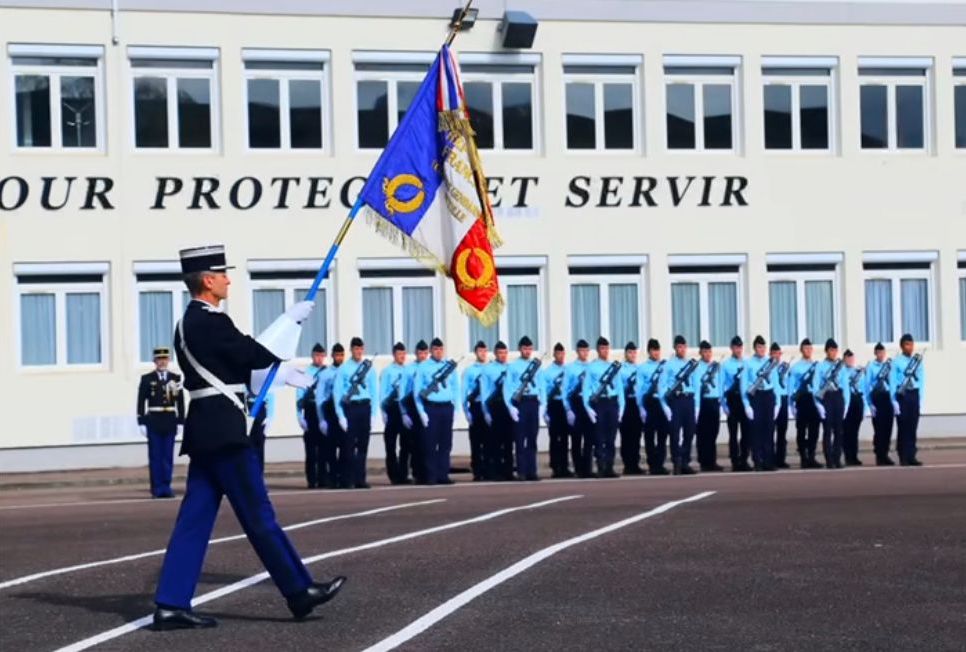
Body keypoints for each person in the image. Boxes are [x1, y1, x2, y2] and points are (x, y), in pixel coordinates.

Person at [152, 244, 344, 630]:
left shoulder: (192, 322)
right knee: (258, 514)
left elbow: (234, 366)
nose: (227, 279)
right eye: (222, 273)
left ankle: (171, 604)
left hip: (209, 430)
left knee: (195, 519)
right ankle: (299, 590)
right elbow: (255, 354)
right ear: (207, 281)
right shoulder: (209, 321)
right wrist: (289, 321)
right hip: (225, 433)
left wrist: (283, 373)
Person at [137, 347, 185, 498]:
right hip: (154, 420)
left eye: (164, 359)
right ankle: (157, 488)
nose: (162, 362)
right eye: (159, 360)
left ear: (168, 361)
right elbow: (141, 401)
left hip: (170, 419)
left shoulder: (175, 378)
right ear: (155, 361)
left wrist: (181, 421)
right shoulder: (147, 379)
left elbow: (180, 402)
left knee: (168, 456)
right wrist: (141, 421)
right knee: (155, 456)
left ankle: (166, 486)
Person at [414, 338, 460, 485]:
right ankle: (431, 476)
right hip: (431, 408)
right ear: (431, 351)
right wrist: (421, 412)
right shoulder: (423, 367)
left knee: (445, 444)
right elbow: (417, 391)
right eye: (435, 349)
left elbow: (455, 388)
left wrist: (457, 409)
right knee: (430, 444)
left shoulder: (449, 367)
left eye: (441, 349)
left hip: (446, 408)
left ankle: (443, 475)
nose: (438, 352)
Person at [581, 336, 623, 478]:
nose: (605, 351)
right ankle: (600, 466)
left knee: (611, 437)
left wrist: (621, 407)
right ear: (598, 350)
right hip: (599, 403)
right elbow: (586, 389)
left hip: (612, 403)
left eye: (607, 348)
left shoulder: (613, 367)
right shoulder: (591, 367)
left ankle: (609, 467)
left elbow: (619, 388)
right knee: (599, 437)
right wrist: (588, 408)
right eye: (602, 348)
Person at [503, 336, 544, 481]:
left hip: (533, 402)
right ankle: (521, 471)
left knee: (532, 438)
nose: (527, 351)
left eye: (530, 348)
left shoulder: (537, 366)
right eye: (525, 348)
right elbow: (507, 388)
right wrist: (510, 407)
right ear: (520, 349)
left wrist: (542, 405)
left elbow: (541, 386)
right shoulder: (513, 366)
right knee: (520, 439)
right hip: (520, 403)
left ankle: (532, 471)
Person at [661, 335, 699, 475]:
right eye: (679, 347)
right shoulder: (669, 365)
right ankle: (676, 461)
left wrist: (697, 406)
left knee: (690, 431)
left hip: (689, 399)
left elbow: (696, 384)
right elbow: (662, 386)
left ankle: (685, 461)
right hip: (675, 400)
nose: (681, 349)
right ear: (675, 348)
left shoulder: (691, 364)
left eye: (683, 346)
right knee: (675, 433)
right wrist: (664, 405)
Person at [741, 335, 780, 472]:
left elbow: (776, 385)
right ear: (754, 348)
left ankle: (768, 461)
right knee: (756, 431)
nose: (761, 349)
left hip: (768, 396)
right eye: (759, 347)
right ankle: (757, 460)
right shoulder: (748, 363)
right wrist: (746, 405)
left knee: (769, 430)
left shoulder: (771, 363)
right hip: (755, 396)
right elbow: (744, 385)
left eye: (763, 347)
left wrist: (778, 403)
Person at [811, 338, 850, 469]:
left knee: (839, 431)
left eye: (835, 350)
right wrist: (818, 405)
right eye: (831, 350)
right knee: (827, 430)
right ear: (826, 351)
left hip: (838, 397)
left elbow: (845, 386)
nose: (833, 353)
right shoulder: (820, 366)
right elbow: (816, 387)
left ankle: (837, 458)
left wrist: (846, 404)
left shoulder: (841, 367)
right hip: (826, 397)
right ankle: (829, 460)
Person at [380, 342, 413, 484]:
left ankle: (403, 474)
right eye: (400, 354)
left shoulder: (407, 370)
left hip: (404, 408)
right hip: (391, 408)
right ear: (394, 355)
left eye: (404, 354)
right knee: (391, 444)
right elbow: (382, 392)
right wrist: (383, 412)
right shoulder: (387, 371)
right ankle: (393, 475)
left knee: (405, 445)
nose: (402, 356)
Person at [314, 342, 345, 488]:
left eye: (341, 355)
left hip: (344, 410)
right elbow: (320, 397)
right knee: (330, 448)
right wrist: (321, 419)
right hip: (329, 410)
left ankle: (343, 476)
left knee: (345, 447)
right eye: (337, 354)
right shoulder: (325, 374)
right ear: (332, 356)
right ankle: (332, 478)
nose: (339, 357)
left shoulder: (347, 372)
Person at [636, 339, 669, 475]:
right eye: (654, 350)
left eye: (658, 350)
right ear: (649, 351)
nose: (656, 353)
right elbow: (639, 389)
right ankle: (652, 464)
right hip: (649, 403)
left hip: (662, 402)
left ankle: (660, 463)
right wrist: (641, 408)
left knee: (662, 435)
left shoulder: (665, 366)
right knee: (649, 436)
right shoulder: (643, 368)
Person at [788, 339, 822, 469]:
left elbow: (819, 384)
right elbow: (791, 387)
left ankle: (812, 456)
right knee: (801, 430)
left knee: (814, 430)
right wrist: (791, 405)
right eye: (806, 348)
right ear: (801, 350)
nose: (808, 351)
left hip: (814, 399)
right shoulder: (796, 367)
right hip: (802, 400)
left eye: (810, 348)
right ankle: (803, 457)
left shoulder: (816, 366)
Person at [296, 343, 326, 488]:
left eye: (321, 356)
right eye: (316, 355)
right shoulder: (306, 373)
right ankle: (311, 480)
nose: (319, 359)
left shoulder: (326, 372)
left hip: (323, 410)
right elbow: (300, 395)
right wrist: (299, 416)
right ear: (312, 356)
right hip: (309, 410)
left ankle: (322, 478)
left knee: (324, 448)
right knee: (311, 449)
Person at [482, 341, 513, 481]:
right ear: (495, 354)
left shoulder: (511, 368)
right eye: (500, 353)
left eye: (505, 353)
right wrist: (486, 412)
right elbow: (484, 392)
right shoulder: (488, 369)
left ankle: (508, 471)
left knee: (508, 442)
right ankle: (494, 471)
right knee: (494, 442)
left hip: (509, 407)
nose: (503, 355)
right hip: (495, 406)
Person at [892, 333, 924, 466]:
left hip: (914, 394)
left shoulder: (917, 361)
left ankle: (912, 455)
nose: (909, 347)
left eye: (911, 344)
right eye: (907, 344)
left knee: (913, 426)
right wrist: (893, 400)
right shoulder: (897, 361)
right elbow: (892, 381)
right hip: (902, 395)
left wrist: (920, 399)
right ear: (902, 346)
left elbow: (921, 380)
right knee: (903, 426)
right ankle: (903, 455)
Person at [542, 342, 572, 478]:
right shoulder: (548, 372)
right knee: (554, 437)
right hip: (553, 404)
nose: (560, 356)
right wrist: (545, 411)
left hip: (565, 404)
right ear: (554, 354)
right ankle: (555, 467)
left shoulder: (568, 370)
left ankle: (564, 466)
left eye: (562, 353)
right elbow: (545, 392)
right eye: (558, 353)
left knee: (565, 438)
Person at [722, 336, 752, 472]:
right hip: (732, 400)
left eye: (740, 347)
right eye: (735, 347)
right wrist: (724, 405)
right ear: (731, 348)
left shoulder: (747, 363)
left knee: (746, 433)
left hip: (744, 399)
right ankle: (735, 461)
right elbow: (721, 386)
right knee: (733, 434)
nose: (738, 349)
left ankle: (744, 460)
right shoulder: (726, 365)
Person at [563, 340, 592, 477]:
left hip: (589, 403)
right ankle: (578, 468)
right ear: (577, 351)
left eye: (586, 350)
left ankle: (588, 468)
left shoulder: (592, 367)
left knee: (589, 438)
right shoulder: (570, 368)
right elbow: (565, 390)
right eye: (582, 350)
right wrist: (568, 409)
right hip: (576, 402)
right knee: (576, 438)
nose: (584, 353)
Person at [864, 342, 896, 466]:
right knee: (879, 428)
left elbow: (893, 383)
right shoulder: (871, 366)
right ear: (875, 353)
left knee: (888, 427)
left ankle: (886, 454)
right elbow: (867, 385)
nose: (881, 354)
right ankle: (879, 455)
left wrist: (894, 400)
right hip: (877, 398)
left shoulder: (889, 366)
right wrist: (870, 404)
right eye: (879, 352)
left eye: (883, 352)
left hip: (887, 397)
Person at [462, 341, 490, 481]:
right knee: (476, 441)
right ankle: (478, 471)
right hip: (476, 406)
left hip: (490, 407)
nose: (483, 353)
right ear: (475, 352)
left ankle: (489, 469)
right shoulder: (470, 370)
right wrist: (466, 411)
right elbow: (464, 391)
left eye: (485, 350)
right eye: (480, 351)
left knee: (490, 441)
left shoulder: (491, 368)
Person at [695, 341, 724, 472]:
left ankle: (712, 461)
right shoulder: (696, 367)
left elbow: (720, 384)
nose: (707, 354)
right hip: (703, 402)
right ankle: (703, 461)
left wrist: (722, 402)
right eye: (705, 351)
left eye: (709, 351)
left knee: (713, 432)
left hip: (714, 402)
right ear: (700, 352)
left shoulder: (716, 366)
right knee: (702, 434)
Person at [405, 340, 431, 483]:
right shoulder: (409, 369)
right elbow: (404, 391)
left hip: (428, 406)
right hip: (413, 406)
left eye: (425, 353)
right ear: (416, 353)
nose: (423, 355)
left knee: (428, 442)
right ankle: (416, 472)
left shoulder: (430, 368)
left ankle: (427, 471)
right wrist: (404, 413)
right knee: (415, 443)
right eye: (420, 353)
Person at [618, 342, 645, 475]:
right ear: (625, 353)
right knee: (626, 435)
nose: (632, 355)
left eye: (634, 352)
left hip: (637, 403)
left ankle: (635, 463)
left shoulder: (640, 368)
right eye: (630, 352)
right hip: (626, 402)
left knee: (636, 435)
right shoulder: (621, 369)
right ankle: (627, 464)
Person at [842, 349, 866, 466]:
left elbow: (864, 389)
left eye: (852, 358)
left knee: (855, 431)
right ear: (844, 359)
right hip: (847, 401)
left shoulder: (859, 371)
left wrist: (865, 409)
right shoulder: (842, 371)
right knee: (846, 431)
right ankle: (847, 456)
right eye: (848, 358)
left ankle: (854, 456)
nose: (850, 360)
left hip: (857, 400)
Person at [771, 343, 791, 469]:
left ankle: (781, 458)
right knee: (769, 431)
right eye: (774, 353)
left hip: (783, 399)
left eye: (778, 353)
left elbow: (789, 384)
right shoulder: (768, 366)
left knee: (782, 431)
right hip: (771, 398)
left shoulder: (785, 367)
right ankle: (769, 457)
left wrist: (789, 403)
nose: (777, 356)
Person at [246, 389, 275, 471]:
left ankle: (259, 472)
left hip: (261, 406)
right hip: (247, 407)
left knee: (259, 445)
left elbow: (271, 396)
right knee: (248, 444)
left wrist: (270, 417)